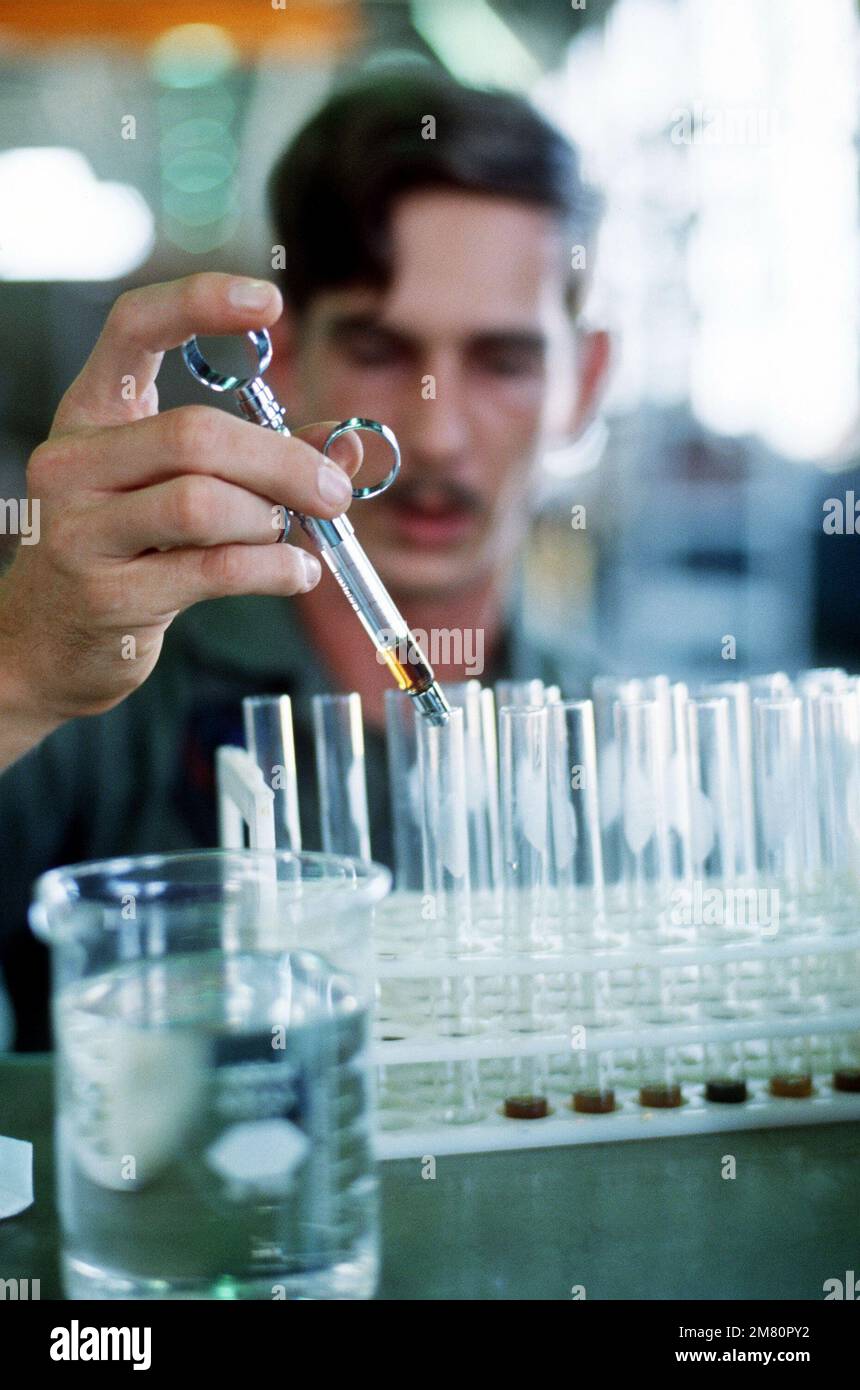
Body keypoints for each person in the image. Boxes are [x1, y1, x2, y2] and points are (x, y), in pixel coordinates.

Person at [0, 68, 609, 1049]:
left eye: (501, 362)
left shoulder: (622, 742)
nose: (438, 434)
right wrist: (17, 671)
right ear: (274, 361)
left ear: (583, 383)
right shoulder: (105, 695)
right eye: (377, 348)